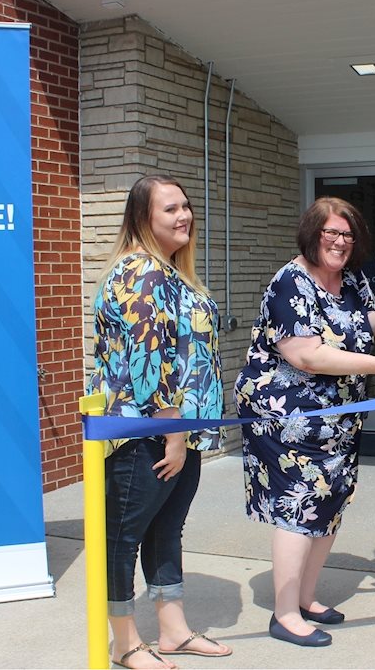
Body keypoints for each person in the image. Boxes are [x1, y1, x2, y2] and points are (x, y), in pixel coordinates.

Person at [234, 197, 375, 648]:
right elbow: (306, 354)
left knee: (330, 504)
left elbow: (357, 328)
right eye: (331, 233)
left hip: (339, 419)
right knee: (298, 506)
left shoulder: (351, 281)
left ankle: (307, 599)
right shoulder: (290, 283)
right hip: (287, 418)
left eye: (348, 235)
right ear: (312, 233)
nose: (340, 242)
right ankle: (285, 612)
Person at [88, 175, 231, 669]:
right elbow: (152, 363)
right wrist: (172, 433)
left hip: (178, 431)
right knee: (123, 537)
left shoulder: (172, 273)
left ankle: (173, 631)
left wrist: (185, 433)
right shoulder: (142, 272)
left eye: (186, 206)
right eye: (170, 209)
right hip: (145, 434)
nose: (183, 215)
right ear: (142, 218)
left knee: (166, 529)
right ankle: (124, 641)